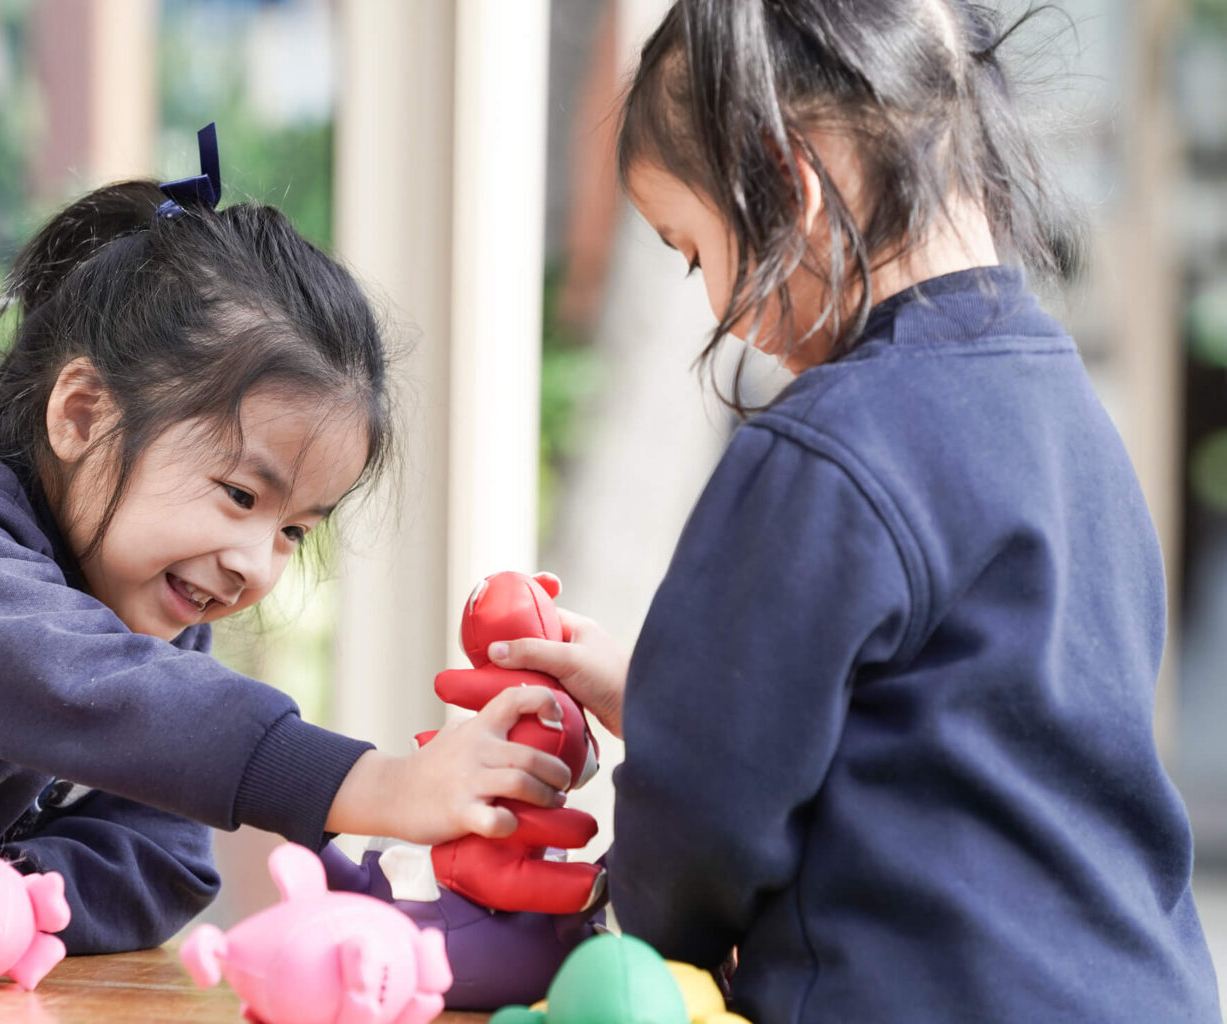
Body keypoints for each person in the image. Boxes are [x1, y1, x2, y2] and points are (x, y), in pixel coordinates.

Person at [489, 1, 1223, 1020]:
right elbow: (960, 731)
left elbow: (703, 810)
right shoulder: (1071, 419)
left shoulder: (828, 446)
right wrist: (664, 695)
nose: (716, 309)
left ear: (786, 180)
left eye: (695, 252)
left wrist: (639, 920)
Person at [0, 180, 572, 991]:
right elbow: (84, 688)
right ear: (81, 414)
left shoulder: (141, 606)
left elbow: (167, 855)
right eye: (239, 494)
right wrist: (374, 784)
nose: (256, 563)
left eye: (295, 530)